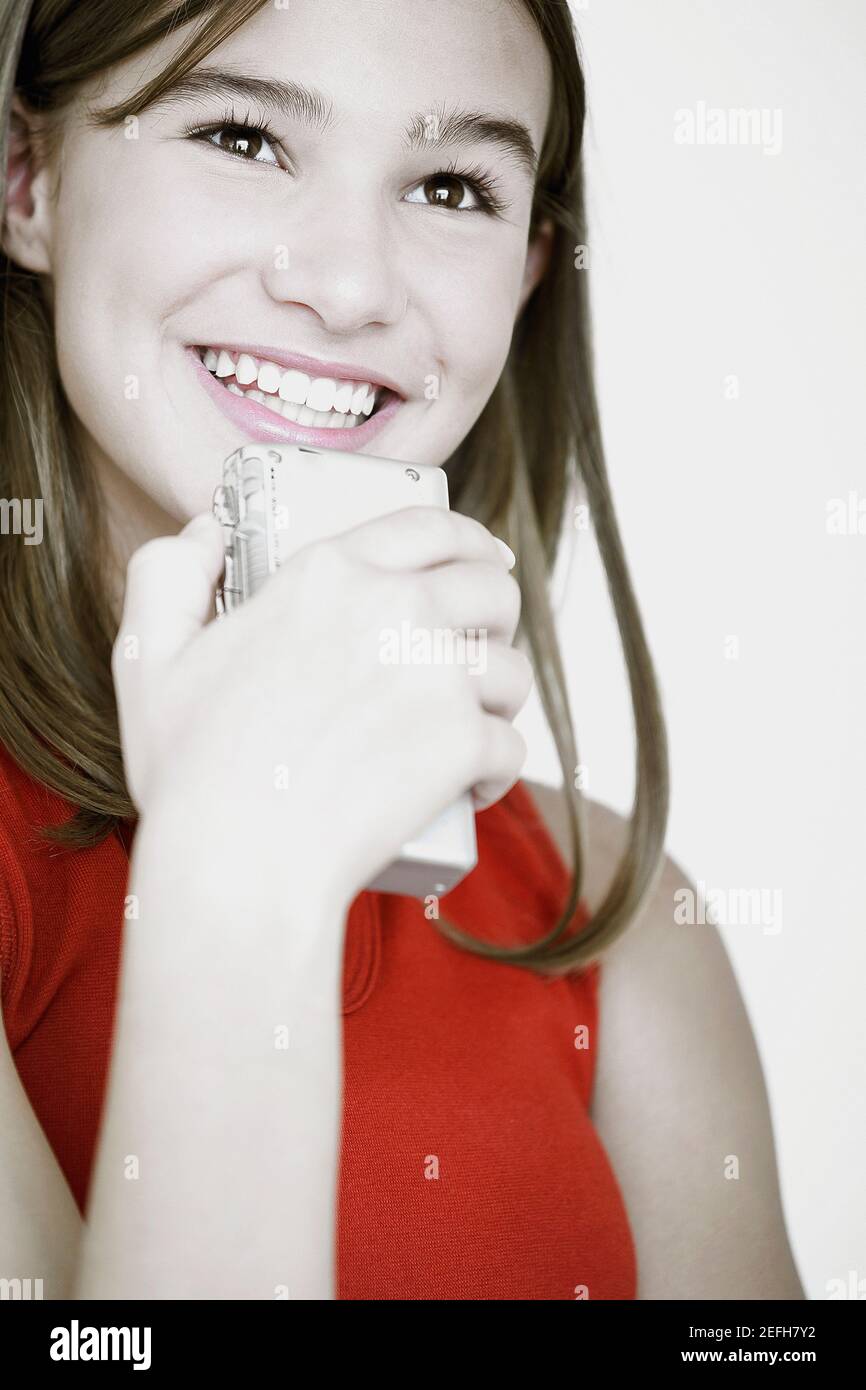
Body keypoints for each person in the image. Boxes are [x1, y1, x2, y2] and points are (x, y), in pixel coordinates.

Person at [0, 0, 803, 1299]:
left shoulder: (618, 921)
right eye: (243, 136)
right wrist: (236, 887)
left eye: (447, 184)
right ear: (26, 178)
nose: (351, 285)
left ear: (529, 267)